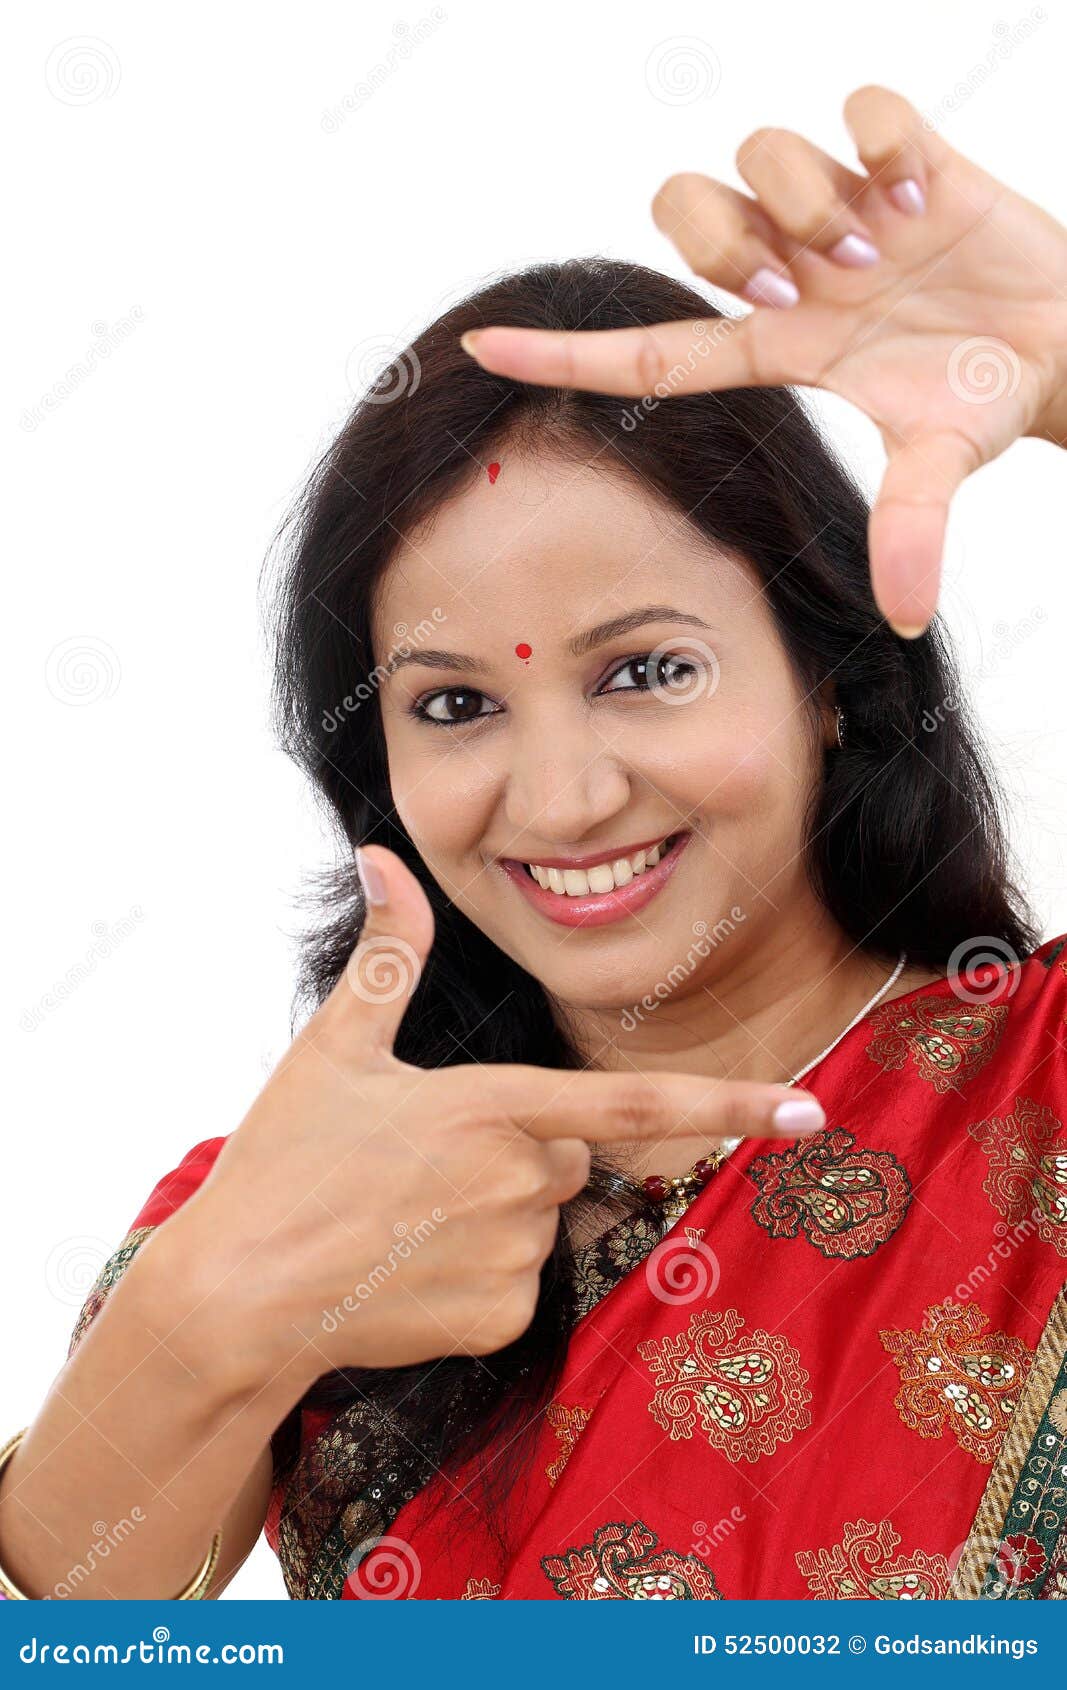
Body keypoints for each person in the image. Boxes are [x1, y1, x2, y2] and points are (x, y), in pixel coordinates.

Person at [2, 83, 1065, 1603]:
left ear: (831, 675)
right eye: (453, 703)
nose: (560, 799)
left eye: (646, 669)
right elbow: (75, 1615)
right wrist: (213, 1313)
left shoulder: (1042, 1083)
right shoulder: (325, 1186)